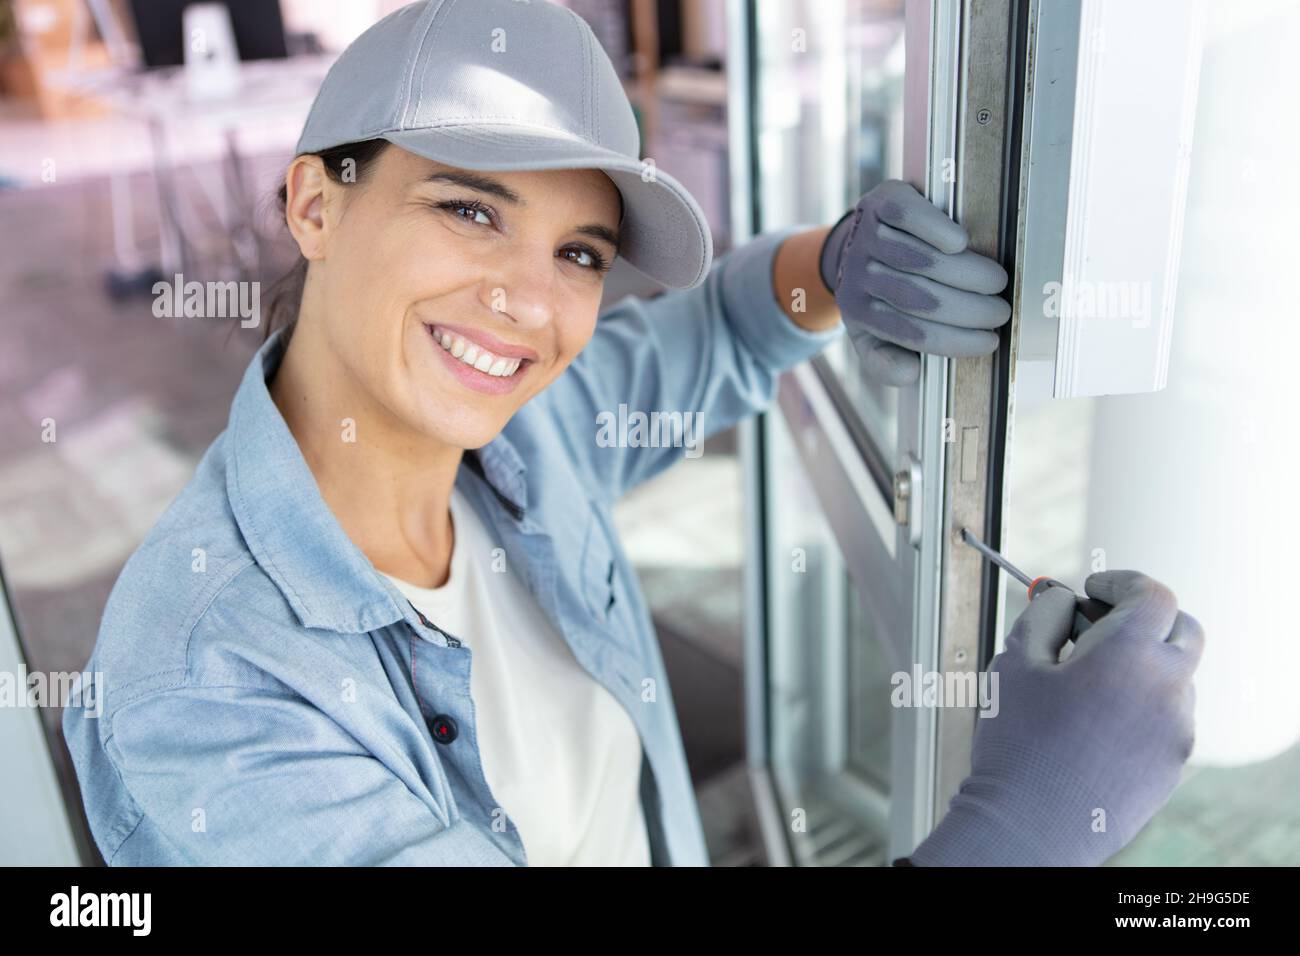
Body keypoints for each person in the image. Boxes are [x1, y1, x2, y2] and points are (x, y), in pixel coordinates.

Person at [62, 0, 1201, 866]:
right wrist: (1018, 832)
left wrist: (843, 267)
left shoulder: (519, 440)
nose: (526, 301)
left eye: (580, 254)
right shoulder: (209, 681)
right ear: (315, 204)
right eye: (469, 209)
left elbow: (723, 328)